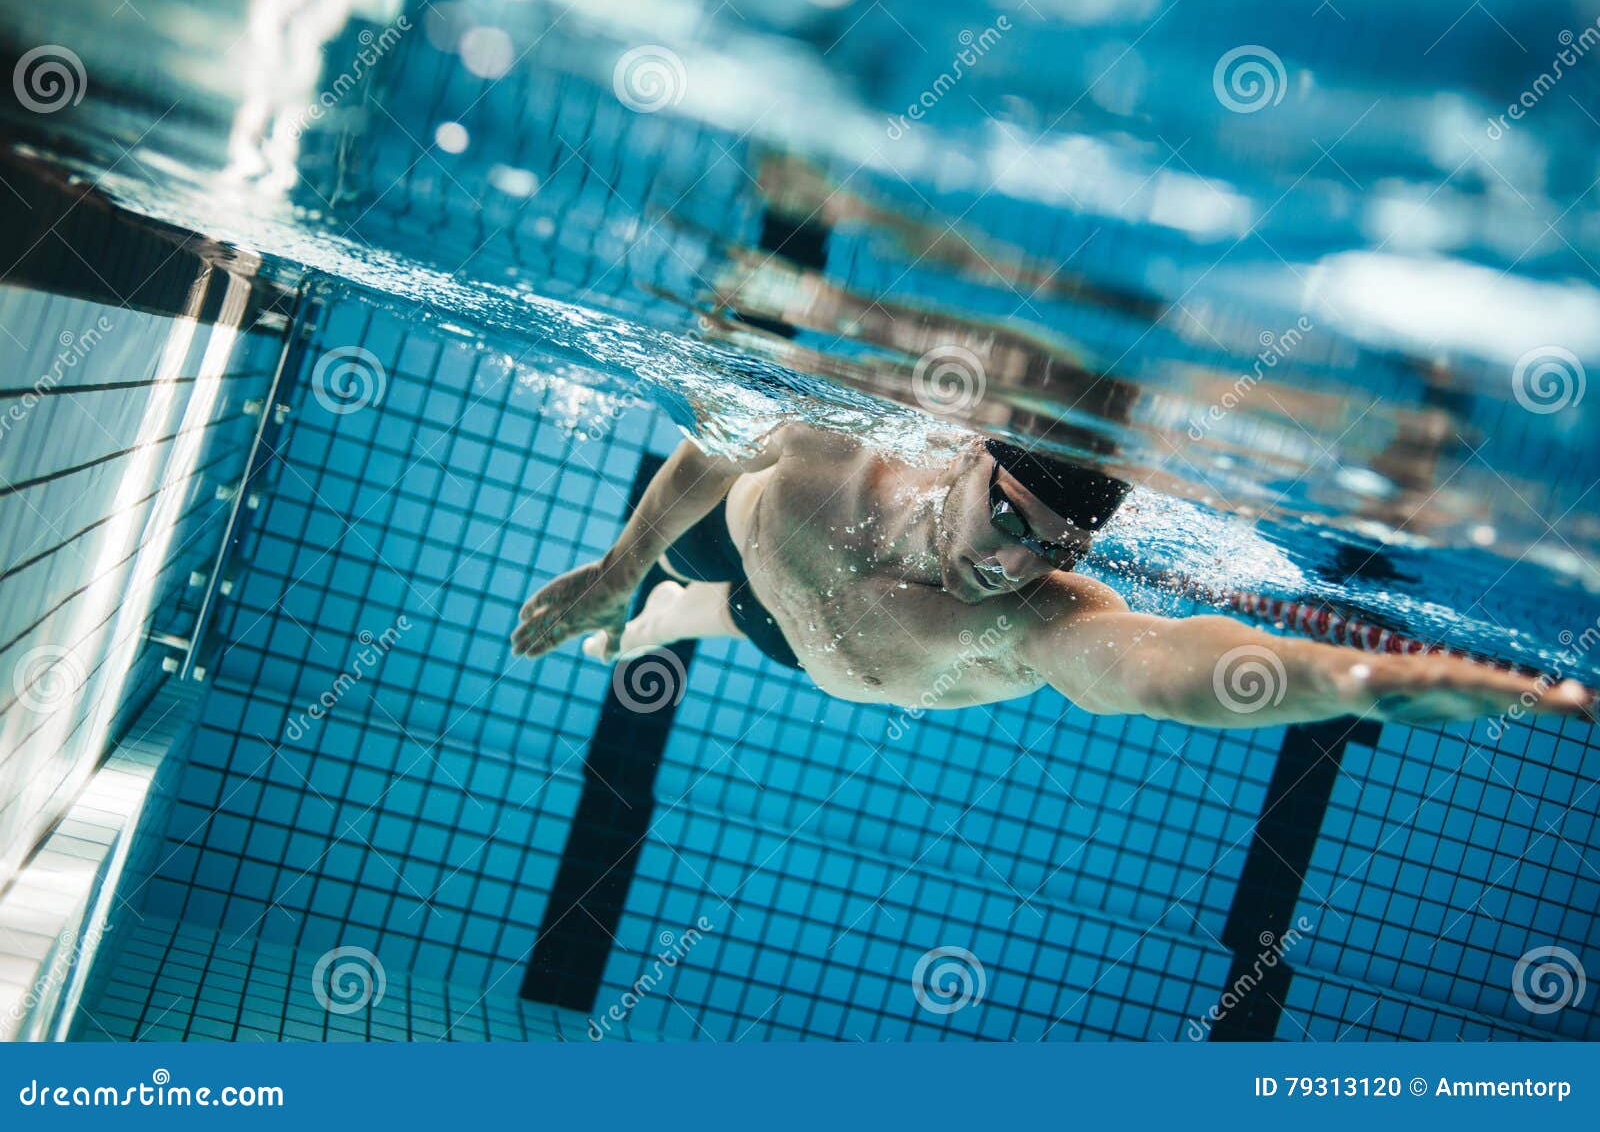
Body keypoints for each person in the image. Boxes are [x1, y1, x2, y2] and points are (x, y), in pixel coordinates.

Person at [511, 424, 1596, 728]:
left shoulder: (1036, 619)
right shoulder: (832, 451)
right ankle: (653, 605)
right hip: (738, 541)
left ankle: (672, 617)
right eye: (1005, 519)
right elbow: (717, 440)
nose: (1010, 563)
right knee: (687, 580)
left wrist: (1346, 680)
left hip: (796, 638)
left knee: (725, 622)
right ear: (974, 457)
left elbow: (1164, 666)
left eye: (1050, 549)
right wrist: (615, 568)